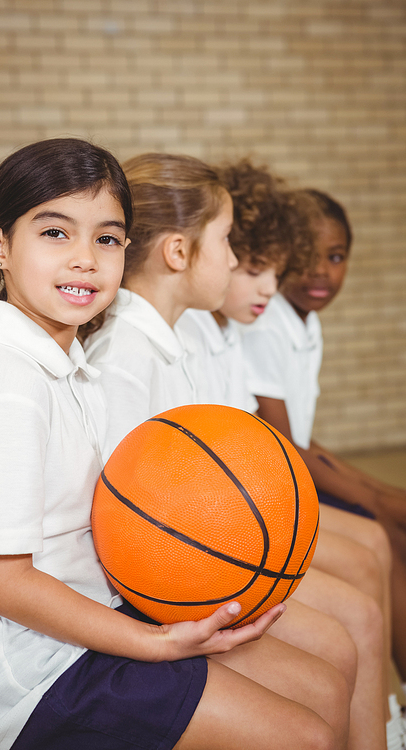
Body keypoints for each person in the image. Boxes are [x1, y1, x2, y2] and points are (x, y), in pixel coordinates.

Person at [0, 139, 347, 750]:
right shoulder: (4, 385)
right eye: (54, 233)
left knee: (320, 685)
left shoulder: (66, 364)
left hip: (100, 615)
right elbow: (3, 583)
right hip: (38, 673)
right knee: (301, 735)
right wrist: (158, 641)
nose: (85, 260)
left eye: (107, 238)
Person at [83, 152, 389, 750]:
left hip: (210, 557)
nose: (231, 257)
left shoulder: (164, 338)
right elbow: (127, 524)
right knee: (336, 646)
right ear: (178, 253)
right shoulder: (126, 355)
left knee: (343, 641)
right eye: (226, 242)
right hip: (169, 584)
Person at [174, 160, 396, 750]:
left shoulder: (220, 328)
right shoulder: (190, 335)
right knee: (368, 576)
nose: (269, 286)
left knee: (373, 551)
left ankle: (379, 720)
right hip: (221, 532)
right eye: (251, 265)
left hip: (244, 506)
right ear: (180, 251)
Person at [240, 187, 406, 685]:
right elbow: (286, 449)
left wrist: (383, 493)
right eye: (306, 259)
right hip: (271, 488)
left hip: (291, 468)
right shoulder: (267, 326)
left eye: (335, 258)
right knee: (387, 536)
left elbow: (307, 439)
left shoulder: (303, 322)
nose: (321, 273)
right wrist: (380, 502)